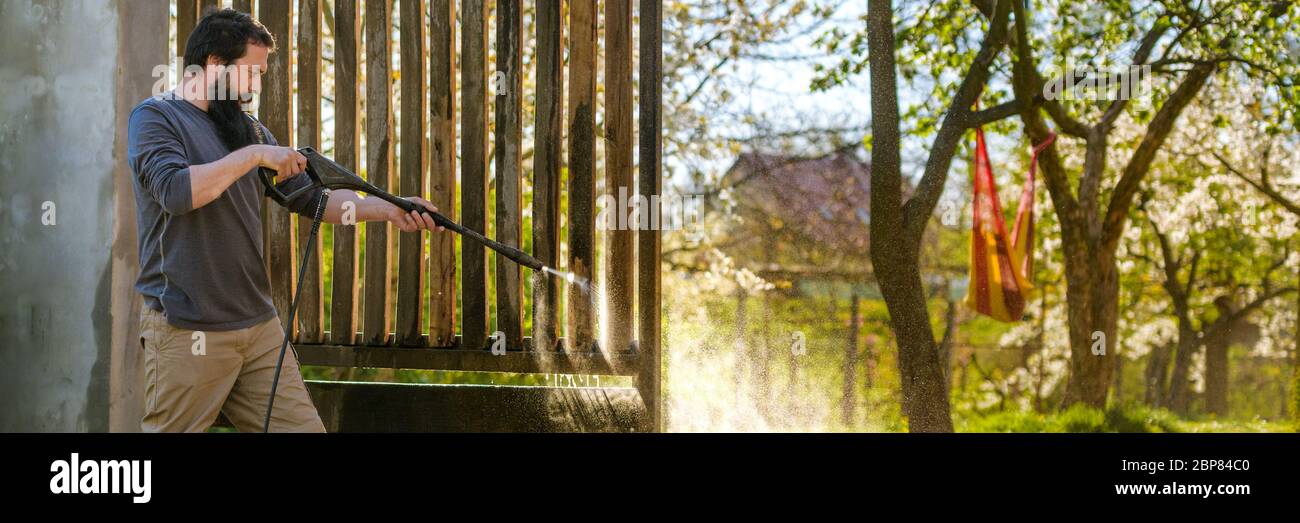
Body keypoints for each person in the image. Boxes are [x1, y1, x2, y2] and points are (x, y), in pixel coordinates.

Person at [127, 8, 442, 432]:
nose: (256, 87)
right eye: (251, 73)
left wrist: (390, 208)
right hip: (188, 328)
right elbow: (177, 193)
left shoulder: (248, 129)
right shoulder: (157, 117)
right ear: (215, 65)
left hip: (258, 328)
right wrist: (255, 156)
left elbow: (313, 199)